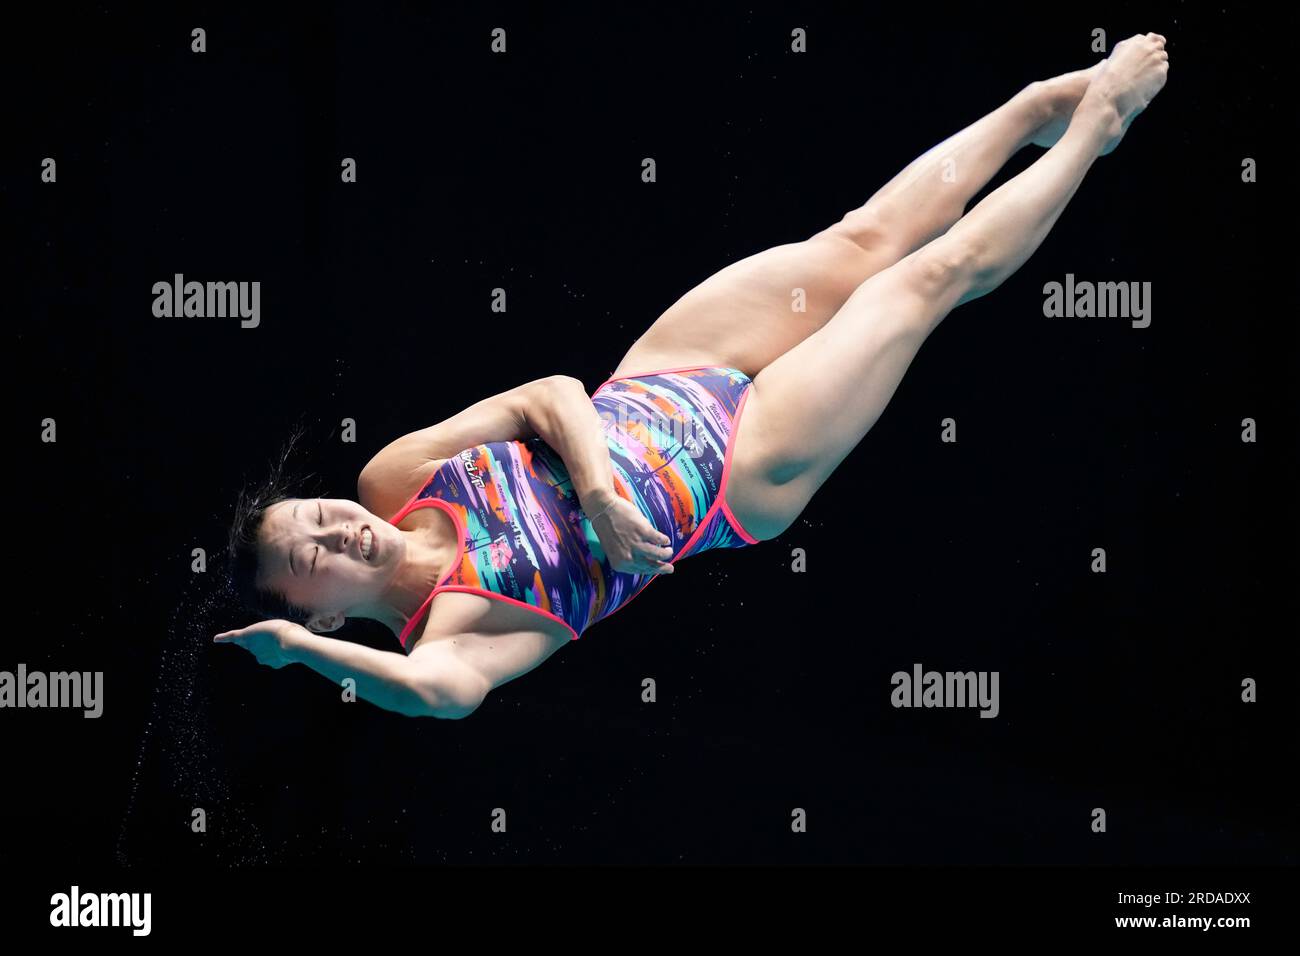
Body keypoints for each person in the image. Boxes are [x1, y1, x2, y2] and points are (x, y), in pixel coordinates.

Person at [216, 35, 1169, 719]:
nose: (335, 526)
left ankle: (1039, 104)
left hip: (662, 378)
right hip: (739, 477)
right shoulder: (450, 638)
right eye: (311, 558)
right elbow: (439, 699)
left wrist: (594, 488)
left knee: (860, 239)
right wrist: (302, 658)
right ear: (330, 608)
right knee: (921, 283)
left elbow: (542, 394)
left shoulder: (391, 479)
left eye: (311, 513)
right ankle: (1093, 125)